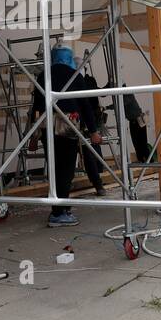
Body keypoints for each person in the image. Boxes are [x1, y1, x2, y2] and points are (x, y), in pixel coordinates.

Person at [28, 45, 101, 227]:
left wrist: (33, 137)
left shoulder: (43, 75)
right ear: (69, 58)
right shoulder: (75, 76)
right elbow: (85, 106)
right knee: (66, 169)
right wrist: (93, 131)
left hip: (46, 126)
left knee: (54, 169)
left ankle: (61, 207)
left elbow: (36, 108)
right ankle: (58, 213)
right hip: (67, 126)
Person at [76, 63, 107, 196]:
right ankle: (98, 180)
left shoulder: (84, 81)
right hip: (85, 118)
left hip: (87, 118)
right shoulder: (85, 80)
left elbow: (90, 102)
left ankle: (98, 180)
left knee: (90, 149)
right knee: (92, 147)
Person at [122, 92, 153, 164]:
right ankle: (145, 160)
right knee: (140, 142)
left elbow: (123, 102)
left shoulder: (127, 95)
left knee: (139, 142)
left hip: (136, 121)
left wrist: (107, 107)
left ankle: (146, 160)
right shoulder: (127, 95)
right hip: (138, 120)